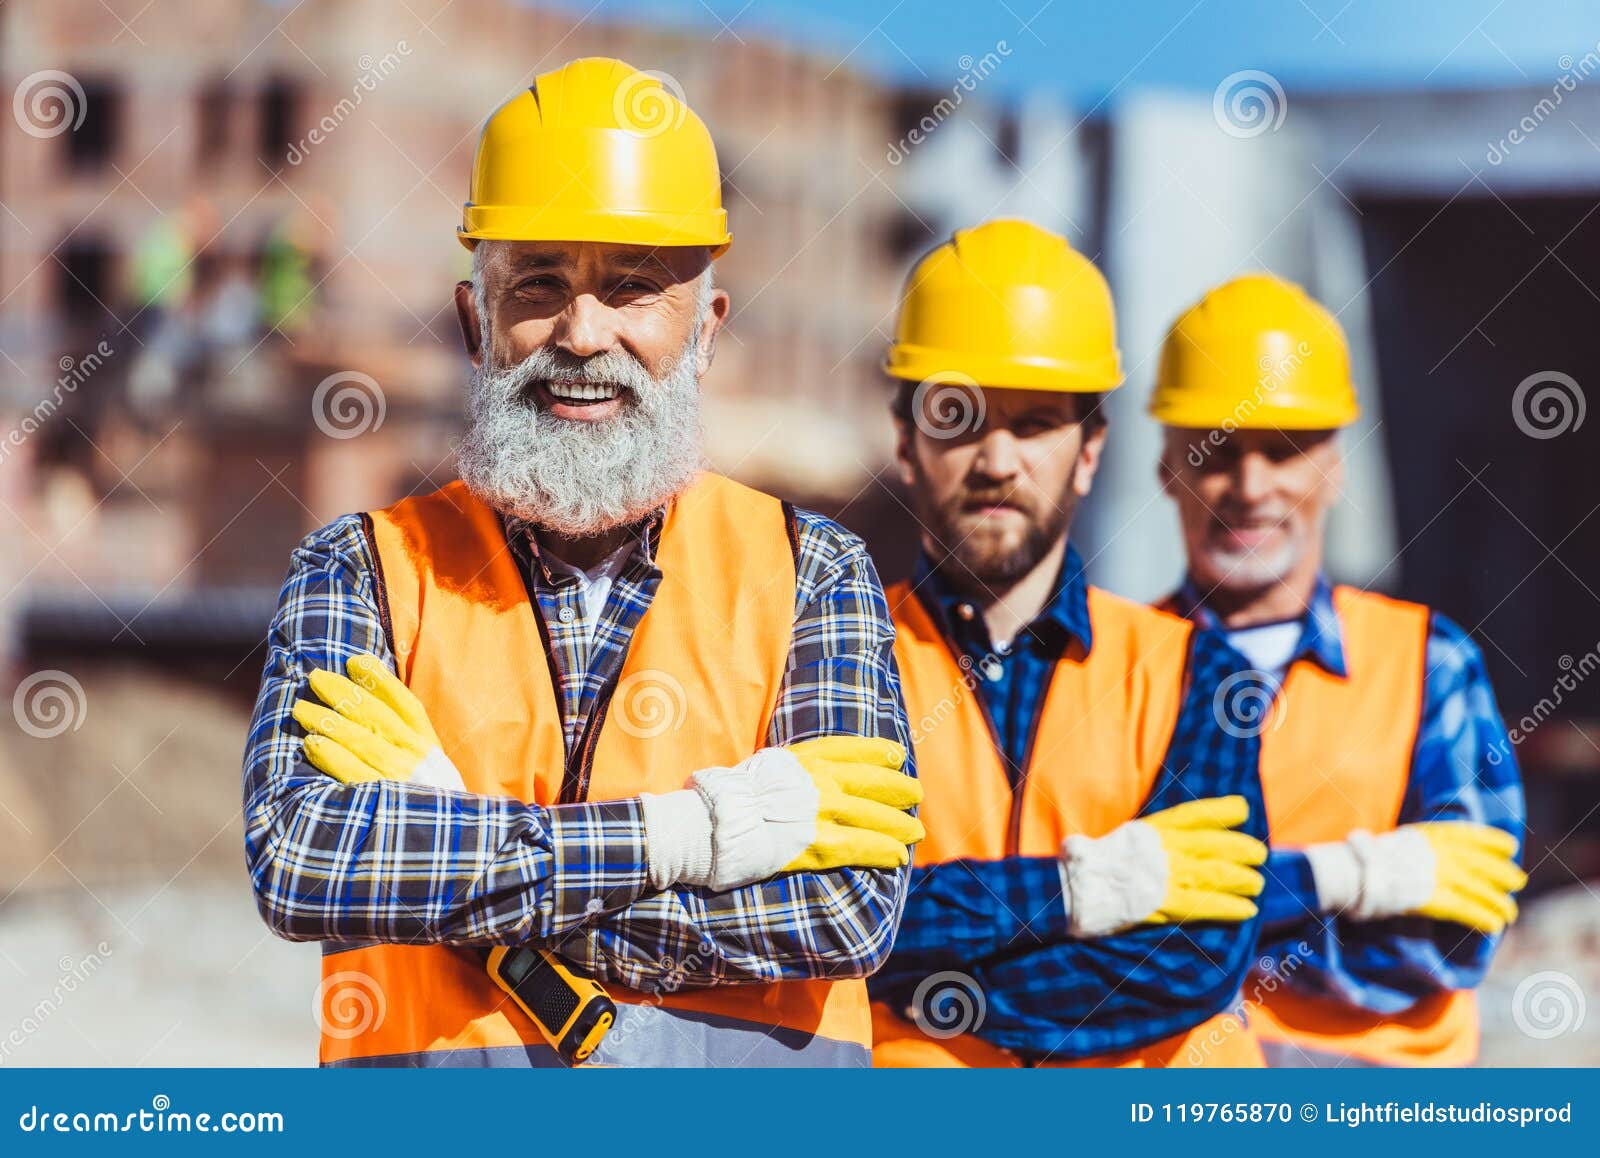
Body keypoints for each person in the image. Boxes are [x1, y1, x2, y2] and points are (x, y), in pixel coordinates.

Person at [242, 58, 922, 1069]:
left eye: (633, 290)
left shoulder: (814, 573)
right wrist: (682, 837)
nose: (580, 334)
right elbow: (307, 863)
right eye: (538, 284)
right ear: (477, 325)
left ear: (705, 331)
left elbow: (846, 908)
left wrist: (456, 859)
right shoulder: (360, 571)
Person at [865, 219, 1270, 1067]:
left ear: (1090, 451)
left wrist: (930, 978)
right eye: (959, 417)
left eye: (1037, 422)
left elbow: (1192, 959)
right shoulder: (831, 654)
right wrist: (1078, 893)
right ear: (905, 440)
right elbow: (825, 918)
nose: (998, 460)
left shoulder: (1199, 677)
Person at [1150, 273, 1527, 1067]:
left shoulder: (1429, 664)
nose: (1250, 488)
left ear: (1335, 469)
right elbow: (1076, 924)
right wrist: (1349, 879)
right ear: (1168, 468)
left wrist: (1190, 923)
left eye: (1284, 450)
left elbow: (1452, 938)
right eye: (1216, 451)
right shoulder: (1111, 665)